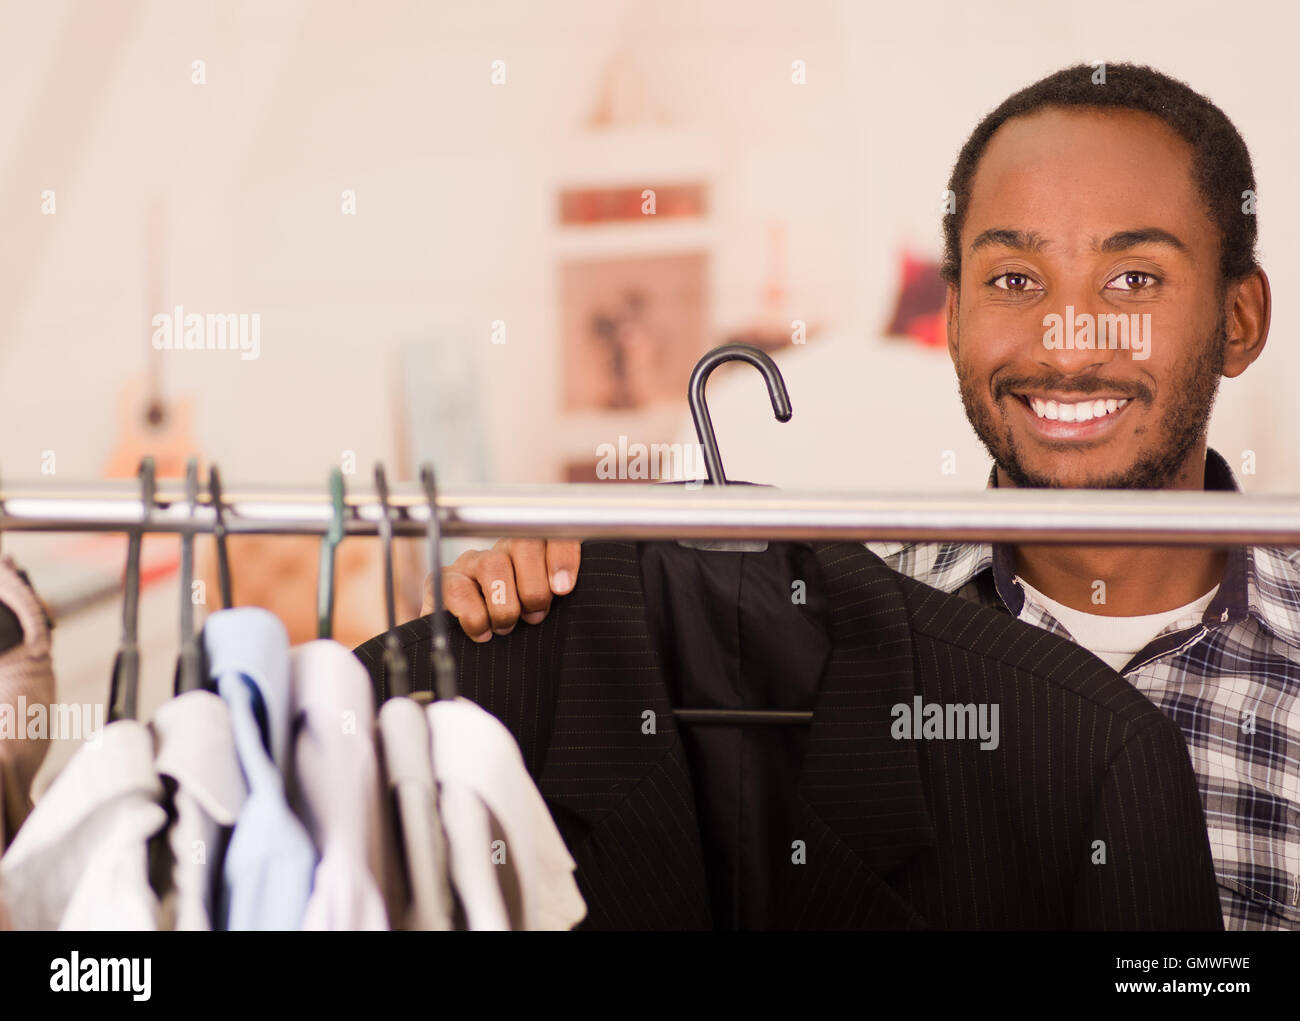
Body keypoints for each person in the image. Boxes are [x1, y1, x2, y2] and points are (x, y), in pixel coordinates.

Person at [427, 63, 1297, 930]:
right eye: (1015, 281)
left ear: (1239, 320)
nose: (1066, 347)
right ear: (953, 318)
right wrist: (533, 605)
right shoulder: (810, 635)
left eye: (1134, 280)